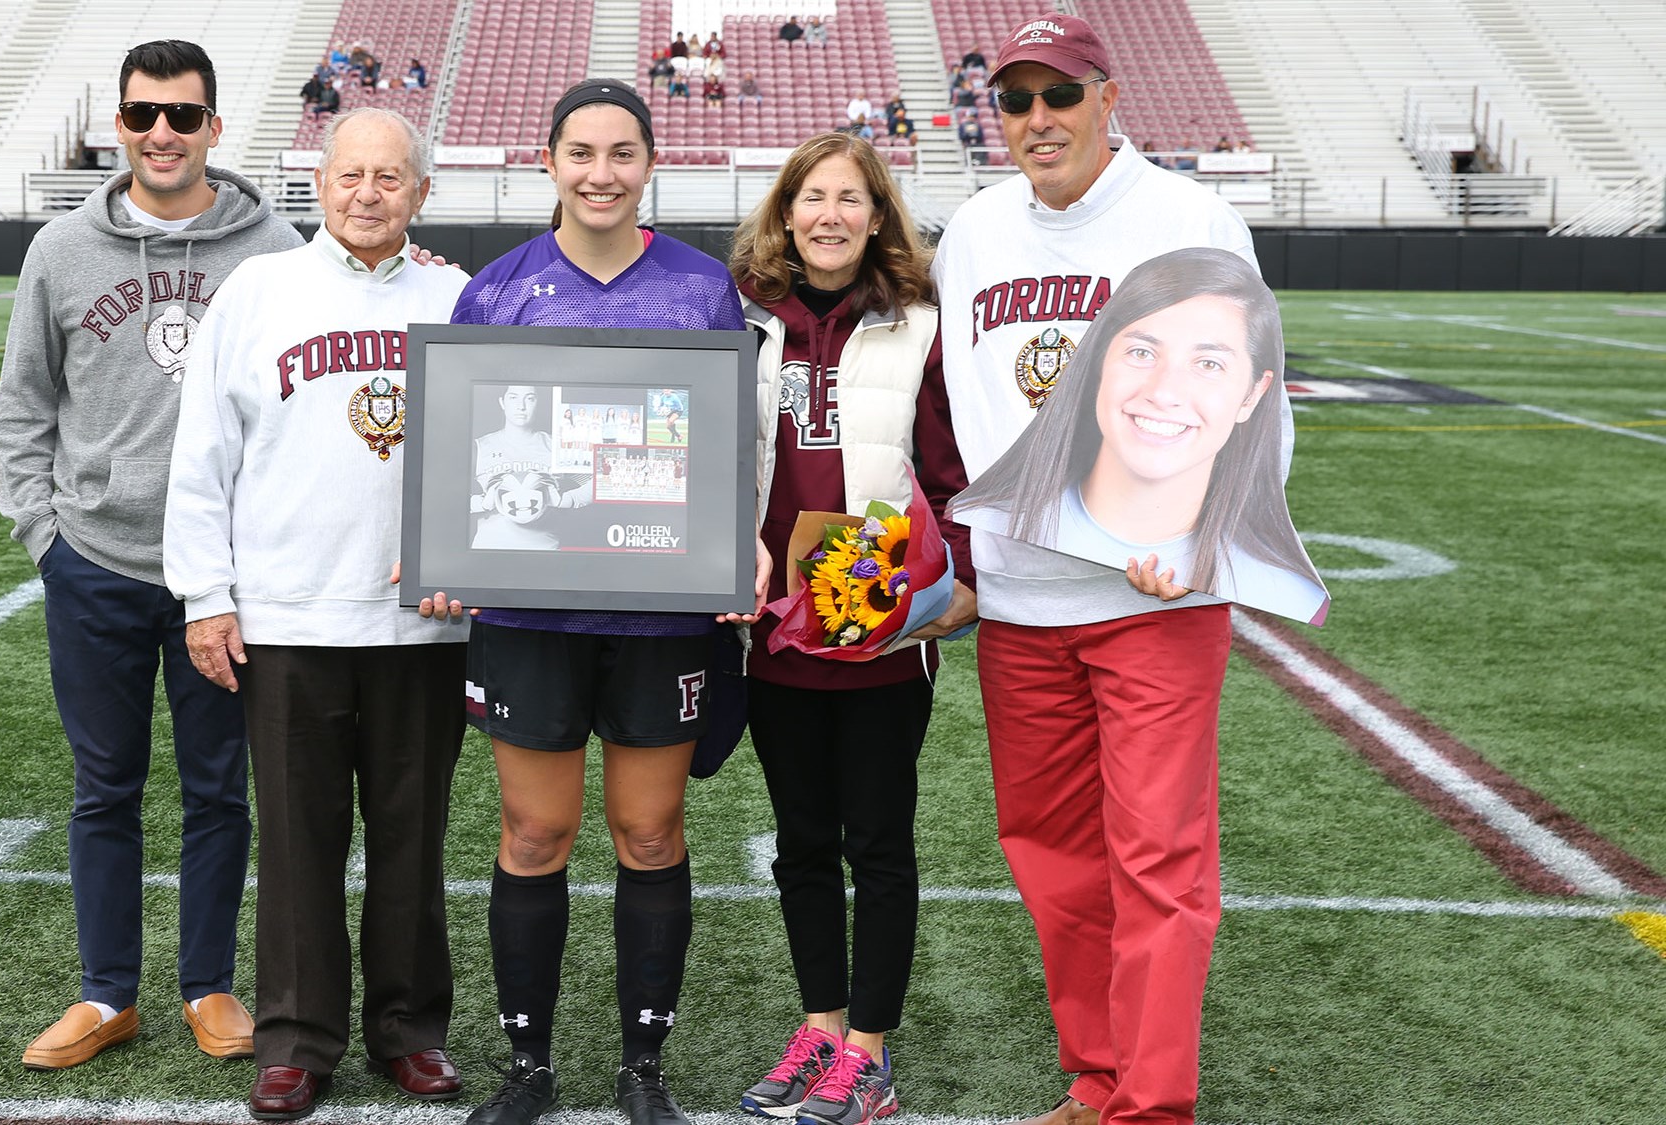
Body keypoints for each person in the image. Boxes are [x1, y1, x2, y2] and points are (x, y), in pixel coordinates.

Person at [930, 14, 1261, 1125]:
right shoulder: (971, 231)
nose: (1035, 121)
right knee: (1054, 862)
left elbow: (1240, 397)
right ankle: (1097, 1083)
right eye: (1014, 101)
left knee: (1160, 863)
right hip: (1024, 603)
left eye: (1056, 97)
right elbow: (968, 413)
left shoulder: (1188, 218)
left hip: (1151, 599)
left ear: (1106, 100)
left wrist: (1190, 536)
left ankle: (1151, 1108)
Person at [448, 77, 753, 1125]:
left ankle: (642, 1070)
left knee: (650, 830)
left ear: (649, 164)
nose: (600, 173)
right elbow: (461, 456)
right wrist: (450, 542)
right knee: (533, 835)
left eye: (621, 153)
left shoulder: (703, 289)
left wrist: (733, 555)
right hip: (529, 614)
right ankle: (525, 1069)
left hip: (661, 613)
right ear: (548, 162)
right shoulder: (494, 289)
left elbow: (727, 449)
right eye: (580, 153)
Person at [0, 39, 303, 1072]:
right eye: (140, 115)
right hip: (95, 562)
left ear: (215, 126)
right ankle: (104, 994)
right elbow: (25, 403)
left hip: (224, 578)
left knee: (220, 788)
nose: (160, 133)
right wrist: (44, 536)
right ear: (116, 128)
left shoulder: (275, 248)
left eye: (180, 115)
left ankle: (208, 987)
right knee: (104, 786)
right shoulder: (61, 250)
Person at [162, 107, 474, 1121]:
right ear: (320, 184)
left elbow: (494, 459)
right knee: (295, 844)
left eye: (391, 178)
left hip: (421, 625)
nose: (368, 193)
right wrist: (205, 598)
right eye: (350, 175)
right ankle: (295, 1039)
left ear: (421, 194)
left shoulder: (457, 297)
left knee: (409, 840)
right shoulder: (257, 293)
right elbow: (201, 457)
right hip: (288, 619)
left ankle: (409, 1031)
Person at [727, 132, 977, 1125]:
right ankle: (820, 1028)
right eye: (811, 196)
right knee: (798, 841)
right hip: (771, 629)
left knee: (875, 840)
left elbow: (950, 476)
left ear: (878, 216)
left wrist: (947, 590)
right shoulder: (741, 318)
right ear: (785, 212)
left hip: (877, 635)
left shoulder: (921, 324)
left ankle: (868, 1052)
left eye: (850, 197)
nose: (829, 214)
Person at [951, 248, 1326, 623]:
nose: (1163, 392)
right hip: (1020, 616)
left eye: (1209, 364)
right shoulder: (995, 514)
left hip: (1172, 626)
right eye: (1142, 352)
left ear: (1253, 394)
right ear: (1098, 362)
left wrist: (1194, 572)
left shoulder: (1279, 584)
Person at [471, 384, 589, 550]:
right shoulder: (478, 447)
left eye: (530, 398)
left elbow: (600, 483)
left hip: (545, 552)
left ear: (538, 402)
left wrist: (566, 500)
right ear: (502, 402)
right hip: (488, 551)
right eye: (513, 397)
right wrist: (483, 503)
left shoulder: (559, 446)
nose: (521, 406)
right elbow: (447, 500)